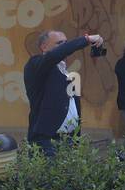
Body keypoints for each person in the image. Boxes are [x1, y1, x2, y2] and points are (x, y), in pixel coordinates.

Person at [24, 29, 103, 157]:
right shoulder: (36, 64)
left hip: (70, 140)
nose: (65, 47)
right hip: (46, 141)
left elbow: (74, 107)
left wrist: (77, 139)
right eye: (60, 43)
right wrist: (86, 39)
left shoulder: (68, 73)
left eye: (66, 43)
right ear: (44, 47)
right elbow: (52, 56)